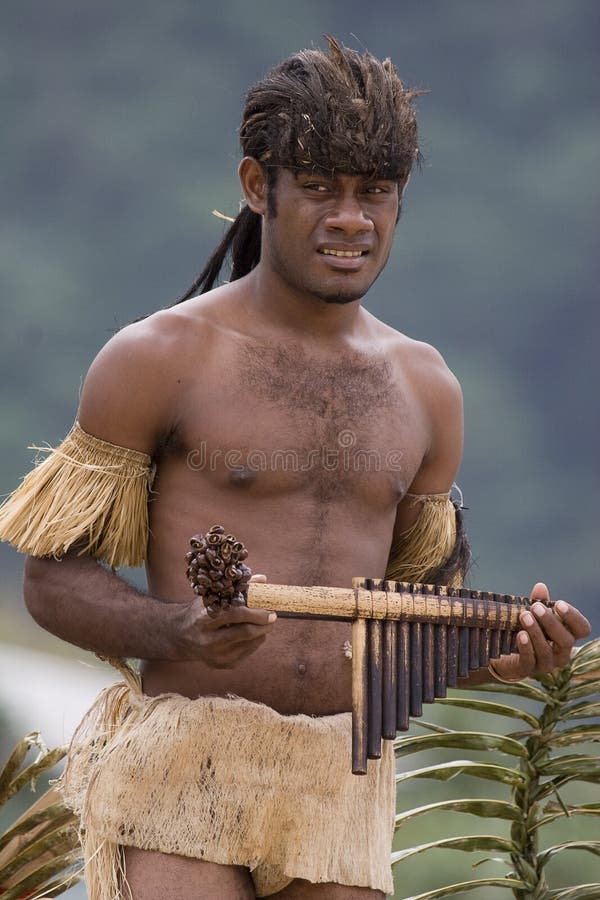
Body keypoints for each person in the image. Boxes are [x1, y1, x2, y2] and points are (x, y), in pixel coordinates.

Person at [0, 37, 590, 900]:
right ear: (256, 188)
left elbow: (410, 623)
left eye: (375, 192)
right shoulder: (156, 358)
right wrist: (176, 632)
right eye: (317, 188)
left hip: (341, 778)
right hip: (185, 766)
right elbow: (51, 581)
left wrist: (504, 653)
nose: (350, 218)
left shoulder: (428, 389)